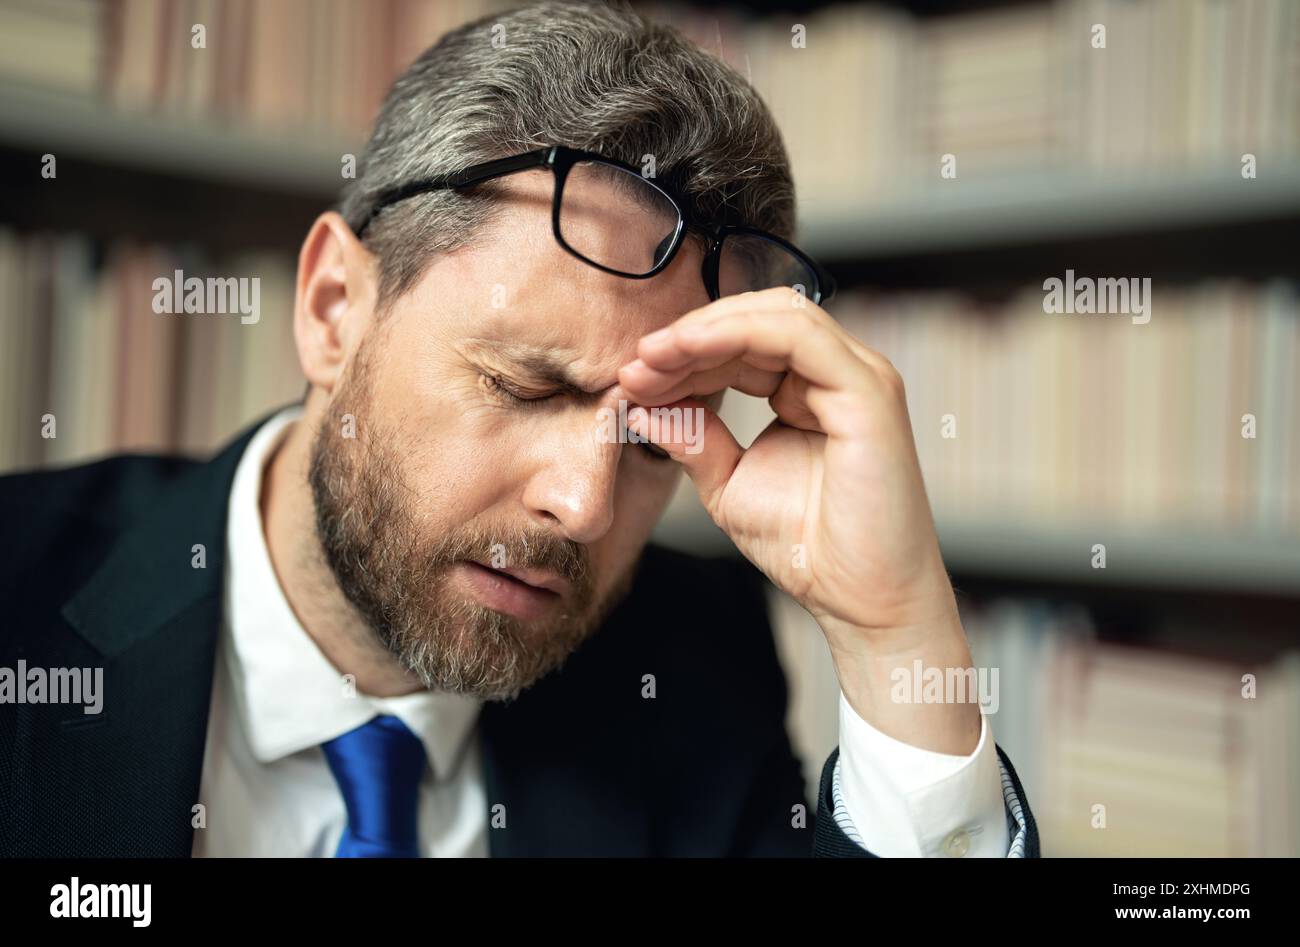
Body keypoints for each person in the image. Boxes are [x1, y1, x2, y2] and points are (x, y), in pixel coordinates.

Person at [0, 0, 1036, 858]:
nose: (582, 506)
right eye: (526, 386)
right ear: (331, 308)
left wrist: (895, 630)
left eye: (652, 437)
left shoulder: (691, 666)